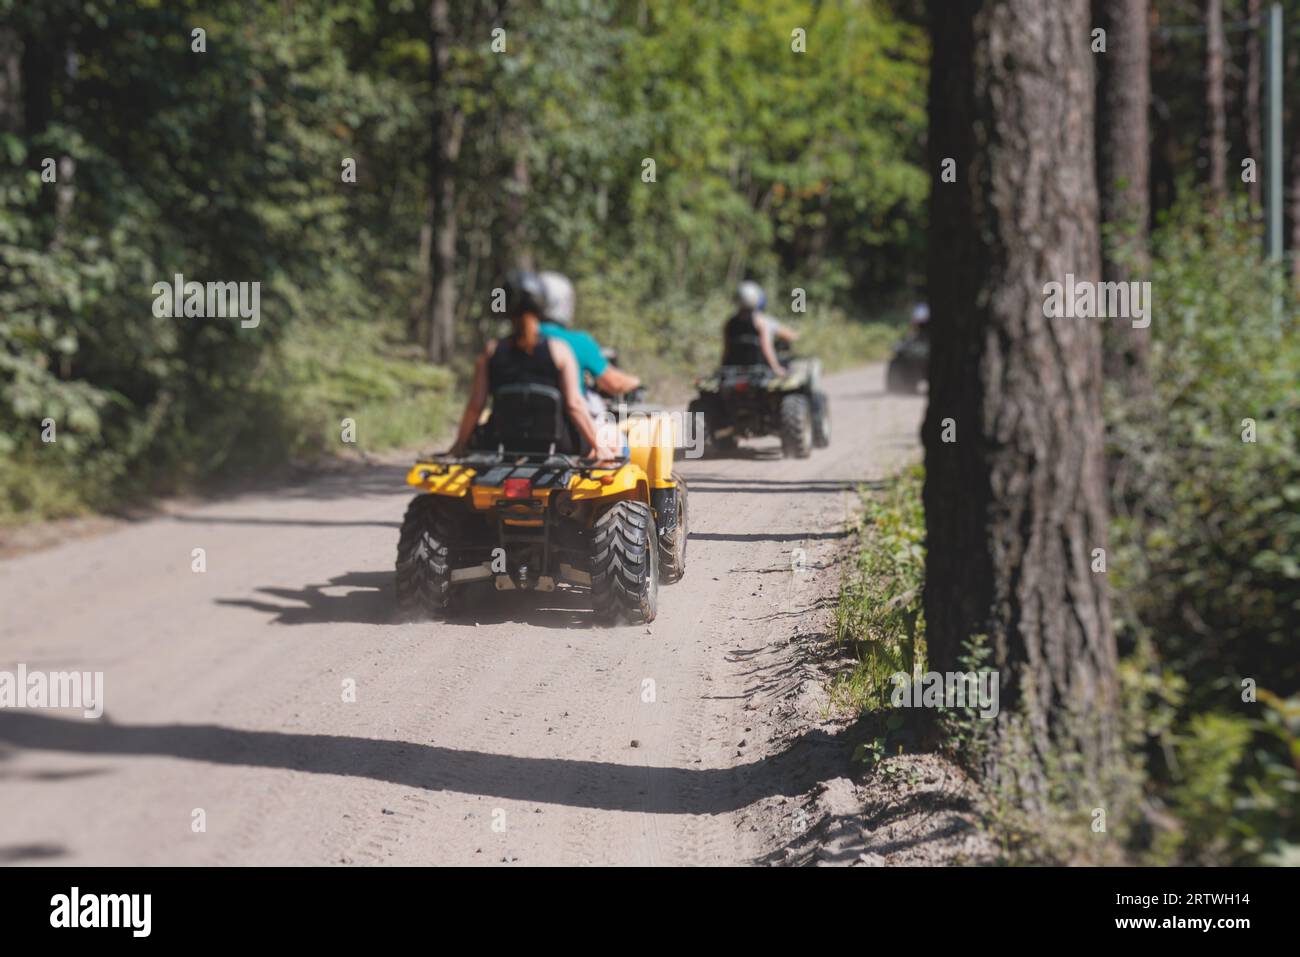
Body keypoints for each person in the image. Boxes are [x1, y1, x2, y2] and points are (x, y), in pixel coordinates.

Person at [449, 270, 617, 460]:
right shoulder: (559, 350)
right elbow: (574, 404)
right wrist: (599, 446)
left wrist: (459, 444)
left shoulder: (491, 350)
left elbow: (475, 405)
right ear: (543, 305)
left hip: (500, 443)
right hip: (561, 445)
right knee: (615, 438)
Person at [537, 271, 641, 403]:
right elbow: (614, 383)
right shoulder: (578, 342)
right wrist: (635, 381)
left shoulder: (507, 345)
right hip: (567, 422)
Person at [723, 280, 786, 375]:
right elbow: (766, 347)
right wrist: (776, 368)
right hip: (758, 368)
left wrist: (722, 368)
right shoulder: (760, 322)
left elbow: (726, 350)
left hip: (734, 369)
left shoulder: (730, 323)